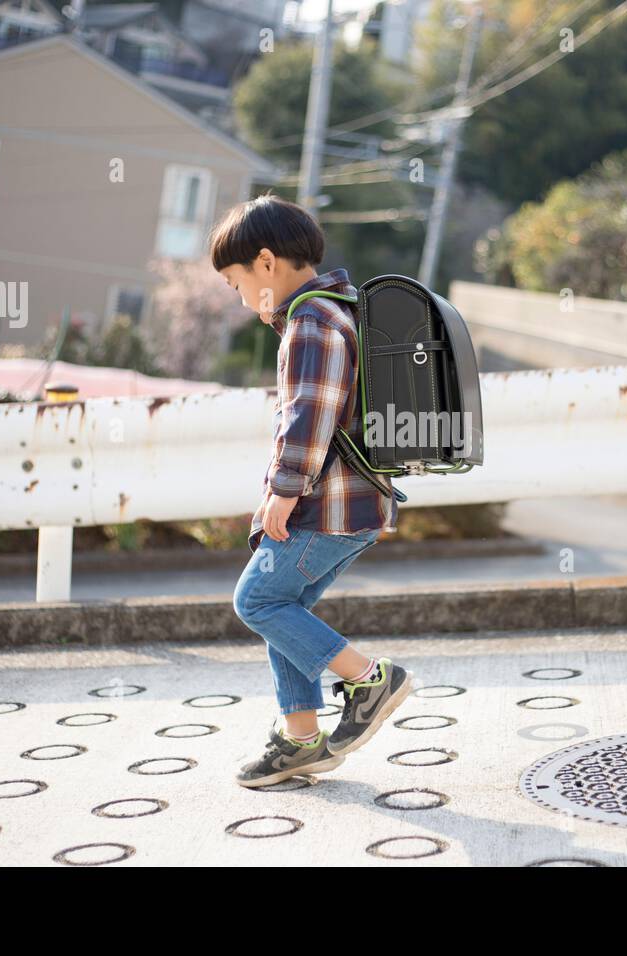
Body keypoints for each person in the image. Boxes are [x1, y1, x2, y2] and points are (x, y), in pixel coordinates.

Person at [211, 193, 415, 788]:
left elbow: (308, 414)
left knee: (258, 602)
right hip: (357, 503)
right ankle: (302, 739)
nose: (240, 296)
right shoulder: (341, 309)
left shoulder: (310, 321)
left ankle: (371, 680)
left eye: (236, 281)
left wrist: (282, 490)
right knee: (285, 607)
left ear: (266, 263)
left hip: (327, 506)